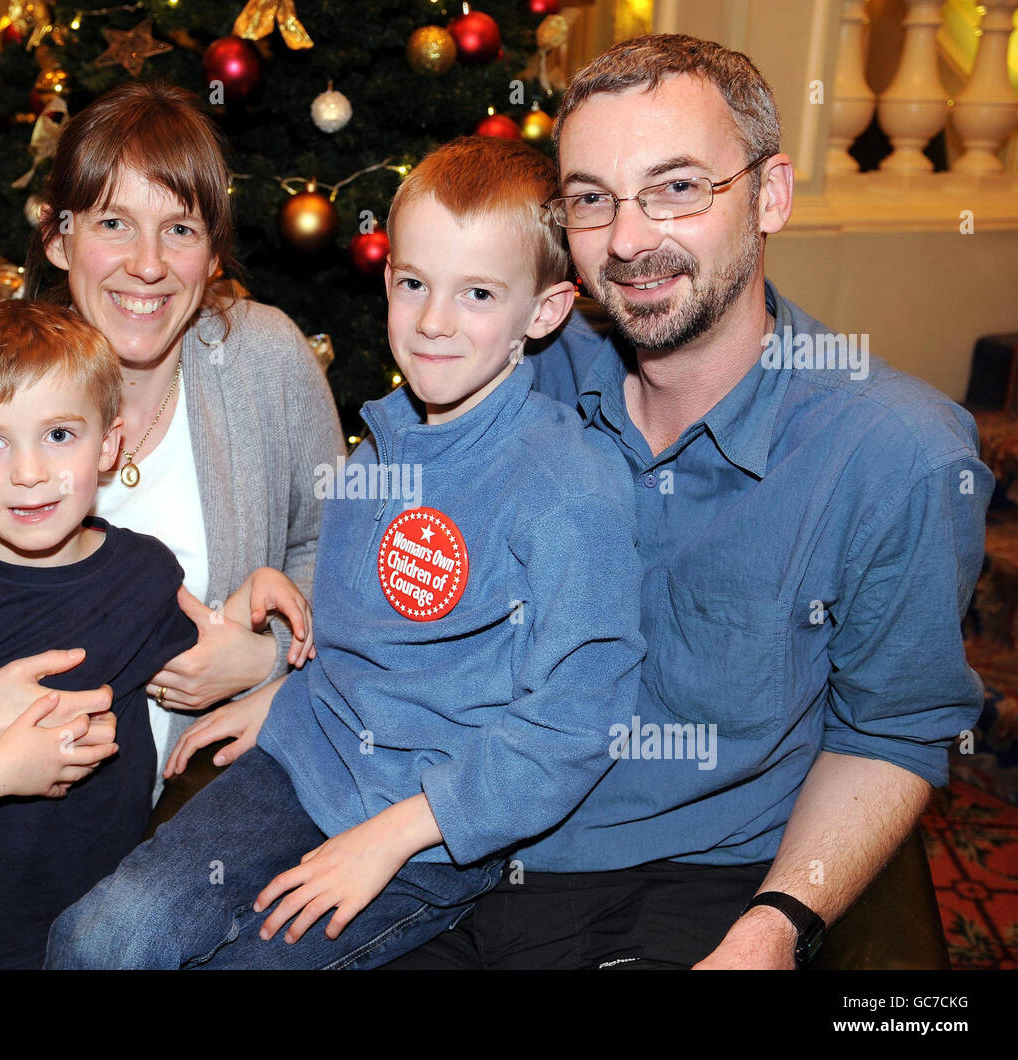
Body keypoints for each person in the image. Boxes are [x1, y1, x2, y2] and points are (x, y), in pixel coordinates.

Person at [386, 34, 993, 970]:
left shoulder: (894, 455)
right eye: (592, 198)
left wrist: (774, 928)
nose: (627, 242)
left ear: (770, 196)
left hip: (684, 884)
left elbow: (889, 731)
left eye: (676, 188)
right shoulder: (514, 366)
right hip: (447, 837)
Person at [44, 136, 646, 969]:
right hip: (304, 766)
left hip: (433, 837)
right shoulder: (376, 453)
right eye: (412, 285)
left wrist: (391, 838)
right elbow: (358, 641)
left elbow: (574, 722)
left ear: (542, 313)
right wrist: (288, 693)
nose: (434, 322)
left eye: (477, 293)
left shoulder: (567, 487)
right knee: (107, 933)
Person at [0, 80, 343, 803]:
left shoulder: (264, 358)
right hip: (15, 846)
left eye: (181, 229)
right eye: (112, 223)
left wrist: (268, 661)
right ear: (56, 235)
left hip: (214, 800)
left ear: (212, 254)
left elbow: (339, 558)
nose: (147, 264)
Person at [0, 301, 306, 970]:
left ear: (108, 444)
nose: (29, 471)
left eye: (59, 435)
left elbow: (197, 665)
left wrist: (254, 601)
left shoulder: (144, 570)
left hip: (88, 929)